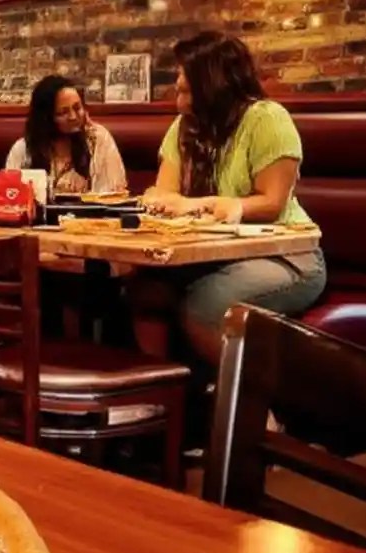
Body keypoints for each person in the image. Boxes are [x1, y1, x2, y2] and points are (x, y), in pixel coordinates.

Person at [133, 32, 326, 365]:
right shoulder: (184, 127)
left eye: (185, 90)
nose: (178, 99)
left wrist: (200, 204)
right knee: (144, 291)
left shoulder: (266, 118)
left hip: (288, 257)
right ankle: (161, 391)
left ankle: (256, 399)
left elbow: (271, 204)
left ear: (212, 84)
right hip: (210, 255)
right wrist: (159, 201)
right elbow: (165, 193)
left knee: (205, 306)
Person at [5, 75, 127, 195]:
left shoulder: (98, 139)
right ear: (46, 118)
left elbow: (114, 194)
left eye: (77, 108)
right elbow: (10, 196)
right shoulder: (22, 150)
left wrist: (84, 193)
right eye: (63, 113)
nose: (73, 117)